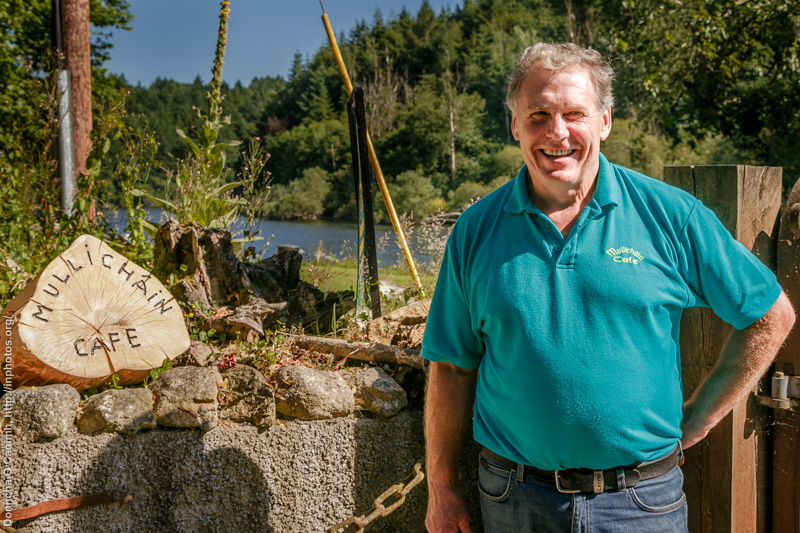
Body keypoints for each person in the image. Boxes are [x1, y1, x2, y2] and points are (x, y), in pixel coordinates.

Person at [421, 42, 795, 533]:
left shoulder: (670, 215)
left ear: (604, 122)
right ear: (514, 125)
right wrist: (442, 490)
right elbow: (451, 365)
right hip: (515, 500)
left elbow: (771, 315)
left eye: (574, 113)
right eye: (538, 114)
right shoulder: (475, 230)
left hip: (641, 502)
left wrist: (702, 414)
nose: (557, 132)